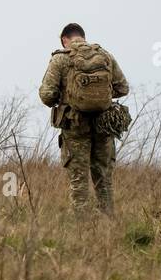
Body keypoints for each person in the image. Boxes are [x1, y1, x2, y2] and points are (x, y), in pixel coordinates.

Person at [38, 23, 129, 215]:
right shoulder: (105, 56)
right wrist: (99, 98)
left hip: (75, 127)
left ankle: (81, 231)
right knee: (103, 179)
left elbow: (47, 95)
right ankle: (108, 226)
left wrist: (66, 98)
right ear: (83, 37)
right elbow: (123, 88)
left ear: (65, 40)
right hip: (103, 126)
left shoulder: (60, 59)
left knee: (79, 181)